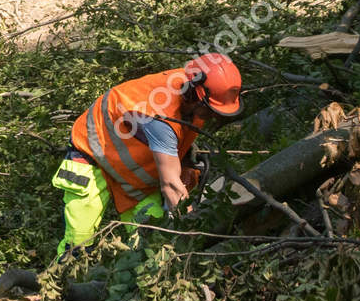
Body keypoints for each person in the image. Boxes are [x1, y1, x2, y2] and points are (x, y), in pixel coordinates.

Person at [53, 52, 243, 258]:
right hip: (93, 155)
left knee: (153, 242)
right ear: (193, 95)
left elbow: (180, 141)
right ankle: (63, 285)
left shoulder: (194, 93)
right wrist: (189, 226)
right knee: (79, 244)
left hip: (132, 175)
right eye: (209, 111)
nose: (213, 117)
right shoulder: (160, 117)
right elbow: (170, 185)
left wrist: (187, 164)